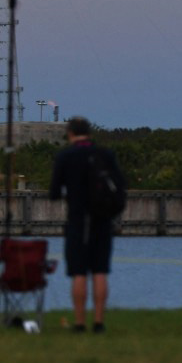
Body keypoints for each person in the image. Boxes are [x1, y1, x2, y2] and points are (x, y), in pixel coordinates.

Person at [49, 117, 125, 333]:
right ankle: (99, 322)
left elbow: (54, 192)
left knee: (79, 272)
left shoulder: (65, 156)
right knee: (100, 271)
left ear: (70, 133)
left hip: (77, 220)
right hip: (103, 219)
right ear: (90, 132)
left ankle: (80, 323)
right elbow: (120, 185)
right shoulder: (105, 155)